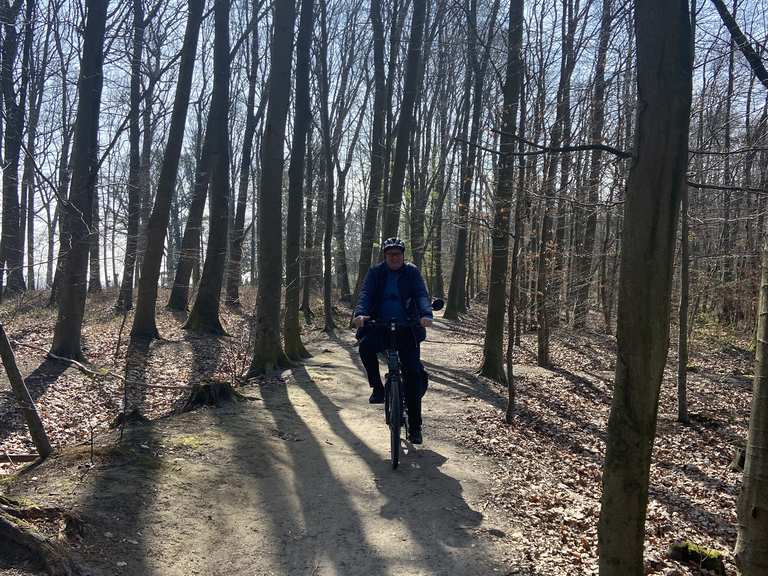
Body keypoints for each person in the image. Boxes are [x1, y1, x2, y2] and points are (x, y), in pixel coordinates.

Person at [353, 237, 433, 444]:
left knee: (413, 375)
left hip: (408, 328)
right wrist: (361, 314)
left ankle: (415, 427)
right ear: (385, 256)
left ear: (403, 255)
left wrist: (426, 314)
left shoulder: (412, 272)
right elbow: (366, 295)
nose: (394, 257)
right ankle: (378, 388)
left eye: (397, 254)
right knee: (365, 347)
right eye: (390, 254)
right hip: (380, 325)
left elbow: (421, 295)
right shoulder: (375, 273)